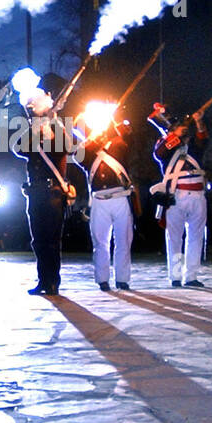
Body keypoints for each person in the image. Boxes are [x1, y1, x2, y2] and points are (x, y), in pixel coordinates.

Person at [15, 85, 74, 296]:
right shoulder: (33, 131)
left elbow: (66, 146)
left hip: (53, 192)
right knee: (38, 240)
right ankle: (42, 280)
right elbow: (19, 148)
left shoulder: (57, 128)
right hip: (35, 193)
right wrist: (36, 128)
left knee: (51, 240)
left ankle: (52, 282)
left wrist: (51, 123)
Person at [151, 108, 209, 288]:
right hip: (176, 195)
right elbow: (159, 153)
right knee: (174, 238)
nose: (183, 130)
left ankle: (191, 276)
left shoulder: (193, 146)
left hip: (198, 195)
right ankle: (175, 276)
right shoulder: (166, 145)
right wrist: (174, 135)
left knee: (196, 237)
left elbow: (203, 138)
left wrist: (199, 121)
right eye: (178, 127)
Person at [77, 112, 135, 291]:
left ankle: (122, 279)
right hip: (99, 200)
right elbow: (79, 157)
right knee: (100, 242)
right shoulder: (87, 150)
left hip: (120, 197)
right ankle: (102, 279)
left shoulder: (118, 144)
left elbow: (125, 139)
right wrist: (93, 139)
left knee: (123, 240)